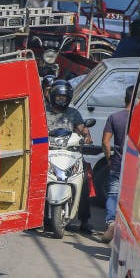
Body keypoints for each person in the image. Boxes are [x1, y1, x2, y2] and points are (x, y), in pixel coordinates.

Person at [46, 79, 94, 233]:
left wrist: (87, 136)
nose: (61, 100)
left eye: (64, 98)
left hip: (71, 153)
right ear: (53, 96)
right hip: (48, 152)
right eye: (59, 97)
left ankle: (84, 220)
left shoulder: (73, 113)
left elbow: (82, 129)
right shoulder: (43, 111)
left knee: (85, 180)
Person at [100, 85, 134, 243]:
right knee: (131, 199)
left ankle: (111, 223)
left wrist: (109, 158)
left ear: (125, 98)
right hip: (134, 167)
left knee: (113, 194)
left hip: (118, 163)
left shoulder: (114, 117)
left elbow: (105, 142)